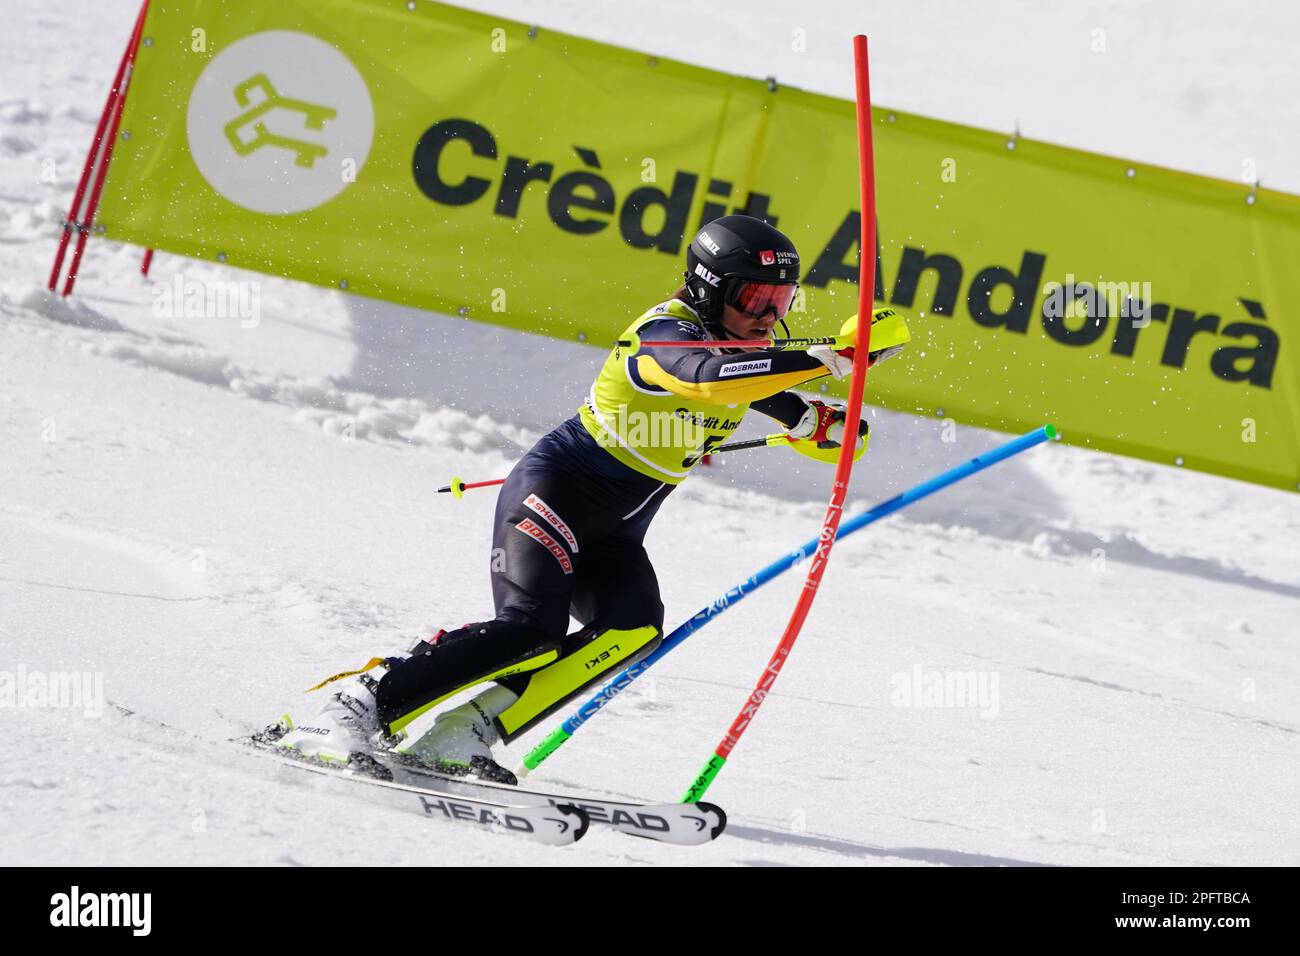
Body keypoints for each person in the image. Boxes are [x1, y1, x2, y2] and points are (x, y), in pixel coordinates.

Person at [270, 214, 910, 782]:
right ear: (710, 288)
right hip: (556, 493)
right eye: (754, 297)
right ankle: (356, 706)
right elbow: (710, 378)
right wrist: (832, 359)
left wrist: (823, 425)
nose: (769, 315)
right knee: (530, 630)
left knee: (632, 630)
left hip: (616, 533)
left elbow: (780, 393)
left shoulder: (755, 347)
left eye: (782, 298)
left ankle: (463, 733)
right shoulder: (664, 335)